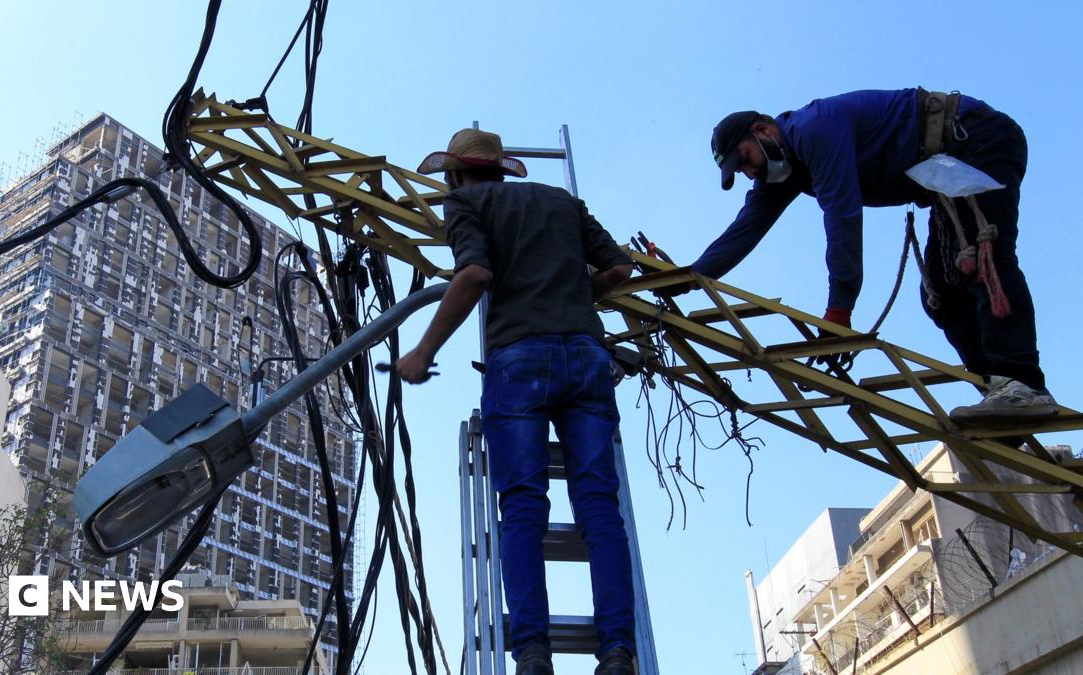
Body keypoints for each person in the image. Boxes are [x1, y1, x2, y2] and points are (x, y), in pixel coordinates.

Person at [395, 128, 637, 675]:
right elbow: (620, 269)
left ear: (455, 173)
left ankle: (532, 651)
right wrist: (574, 296)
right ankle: (618, 650)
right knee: (599, 507)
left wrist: (423, 350)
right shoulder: (562, 201)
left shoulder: (464, 202)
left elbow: (475, 272)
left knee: (524, 507)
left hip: (520, 361)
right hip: (585, 355)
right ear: (500, 168)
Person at [691, 88, 1056, 423]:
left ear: (763, 130)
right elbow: (743, 232)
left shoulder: (814, 129)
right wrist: (688, 278)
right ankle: (999, 392)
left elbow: (843, 216)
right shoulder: (783, 173)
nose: (751, 171)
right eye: (742, 171)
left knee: (983, 261)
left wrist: (839, 309)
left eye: (746, 160)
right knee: (941, 296)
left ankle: (1021, 384)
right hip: (945, 171)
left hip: (974, 139)